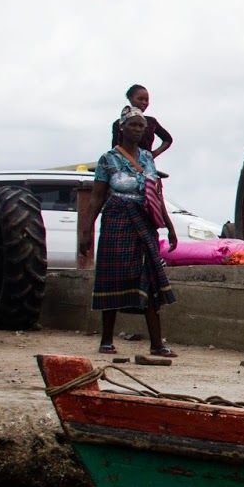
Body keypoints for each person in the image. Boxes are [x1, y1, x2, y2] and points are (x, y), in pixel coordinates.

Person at [79, 107, 178, 357]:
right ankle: (106, 340)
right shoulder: (108, 159)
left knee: (150, 277)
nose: (137, 130)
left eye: (141, 126)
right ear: (121, 128)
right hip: (116, 221)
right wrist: (86, 231)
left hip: (144, 223)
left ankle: (156, 343)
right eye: (132, 125)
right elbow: (97, 197)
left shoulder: (147, 158)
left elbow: (156, 195)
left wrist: (170, 226)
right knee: (111, 278)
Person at [110, 85, 173, 169]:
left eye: (146, 100)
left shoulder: (151, 122)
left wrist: (153, 154)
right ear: (130, 99)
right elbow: (115, 147)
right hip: (124, 166)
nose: (144, 102)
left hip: (146, 166)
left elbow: (168, 139)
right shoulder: (119, 123)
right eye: (140, 99)